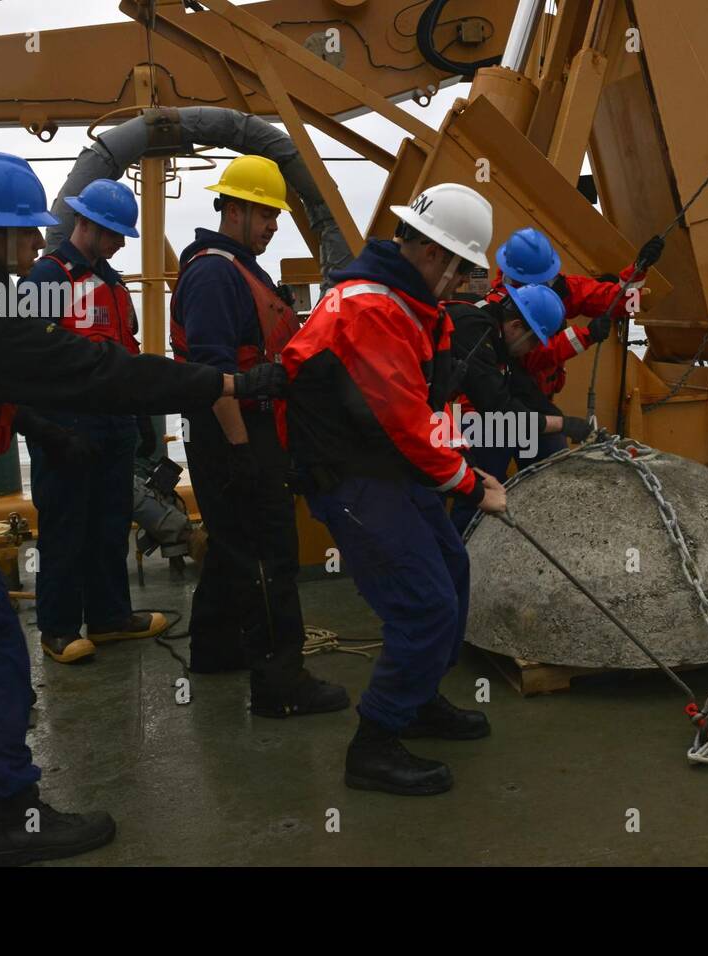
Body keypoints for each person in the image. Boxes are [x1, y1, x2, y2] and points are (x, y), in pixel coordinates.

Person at [0, 151, 281, 865]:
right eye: (24, 235)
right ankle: (15, 816)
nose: (33, 248)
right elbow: (90, 370)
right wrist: (221, 380)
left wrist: (42, 428)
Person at [279, 182, 508, 796]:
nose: (462, 284)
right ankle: (374, 744)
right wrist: (468, 483)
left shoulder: (405, 301)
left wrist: (458, 466)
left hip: (386, 468)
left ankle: (419, 699)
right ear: (435, 254)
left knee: (451, 568)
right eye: (461, 268)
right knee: (424, 603)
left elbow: (417, 410)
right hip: (355, 477)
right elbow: (401, 418)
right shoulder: (373, 308)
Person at [170, 155, 347, 717]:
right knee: (271, 557)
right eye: (267, 214)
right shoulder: (216, 274)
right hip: (235, 436)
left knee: (232, 547)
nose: (274, 225)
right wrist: (244, 450)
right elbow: (212, 372)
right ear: (238, 210)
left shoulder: (236, 269)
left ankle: (216, 649)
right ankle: (280, 684)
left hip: (243, 433)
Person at [19, 178, 165, 664]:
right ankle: (58, 628)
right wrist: (48, 430)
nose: (120, 243)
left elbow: (127, 354)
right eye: (113, 233)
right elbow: (25, 362)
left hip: (113, 424)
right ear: (87, 224)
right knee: (64, 529)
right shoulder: (49, 278)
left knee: (108, 524)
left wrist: (141, 417)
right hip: (68, 427)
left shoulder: (112, 283)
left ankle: (109, 617)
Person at [445, 281, 585, 533]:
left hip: (439, 418)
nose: (529, 352)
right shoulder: (473, 332)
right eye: (532, 344)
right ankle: (463, 543)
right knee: (491, 445)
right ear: (516, 327)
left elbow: (523, 389)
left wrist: (563, 421)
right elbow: (499, 408)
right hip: (412, 423)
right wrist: (564, 424)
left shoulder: (496, 336)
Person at [483, 227, 663, 405]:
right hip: (514, 401)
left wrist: (639, 268)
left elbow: (619, 301)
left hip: (540, 396)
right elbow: (532, 357)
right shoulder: (499, 309)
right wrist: (587, 335)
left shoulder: (557, 287)